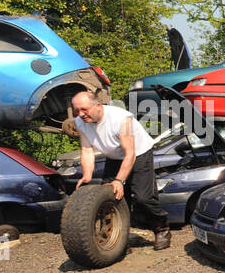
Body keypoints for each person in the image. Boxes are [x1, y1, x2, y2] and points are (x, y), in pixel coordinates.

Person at [71, 91, 171, 250]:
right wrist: (87, 175)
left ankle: (162, 229)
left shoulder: (121, 119)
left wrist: (119, 181)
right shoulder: (80, 122)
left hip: (138, 154)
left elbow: (130, 153)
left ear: (97, 106)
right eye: (77, 111)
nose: (81, 114)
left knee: (143, 198)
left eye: (84, 109)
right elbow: (86, 149)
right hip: (114, 157)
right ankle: (118, 239)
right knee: (110, 197)